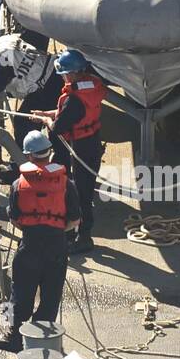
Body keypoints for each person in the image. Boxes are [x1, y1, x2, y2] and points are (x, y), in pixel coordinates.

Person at [0, 130, 80, 351]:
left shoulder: (18, 184)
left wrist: (32, 228)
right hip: (56, 247)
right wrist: (58, 229)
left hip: (29, 246)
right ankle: (40, 344)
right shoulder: (66, 183)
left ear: (29, 156)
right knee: (50, 299)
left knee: (17, 295)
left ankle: (10, 337)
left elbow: (14, 218)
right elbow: (75, 219)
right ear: (49, 153)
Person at [32, 49, 106, 254]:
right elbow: (71, 114)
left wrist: (45, 120)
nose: (63, 77)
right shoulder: (90, 86)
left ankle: (83, 238)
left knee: (82, 194)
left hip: (81, 149)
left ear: (72, 74)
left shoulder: (74, 99)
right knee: (84, 188)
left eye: (64, 74)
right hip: (92, 143)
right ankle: (79, 233)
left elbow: (57, 129)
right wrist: (46, 113)